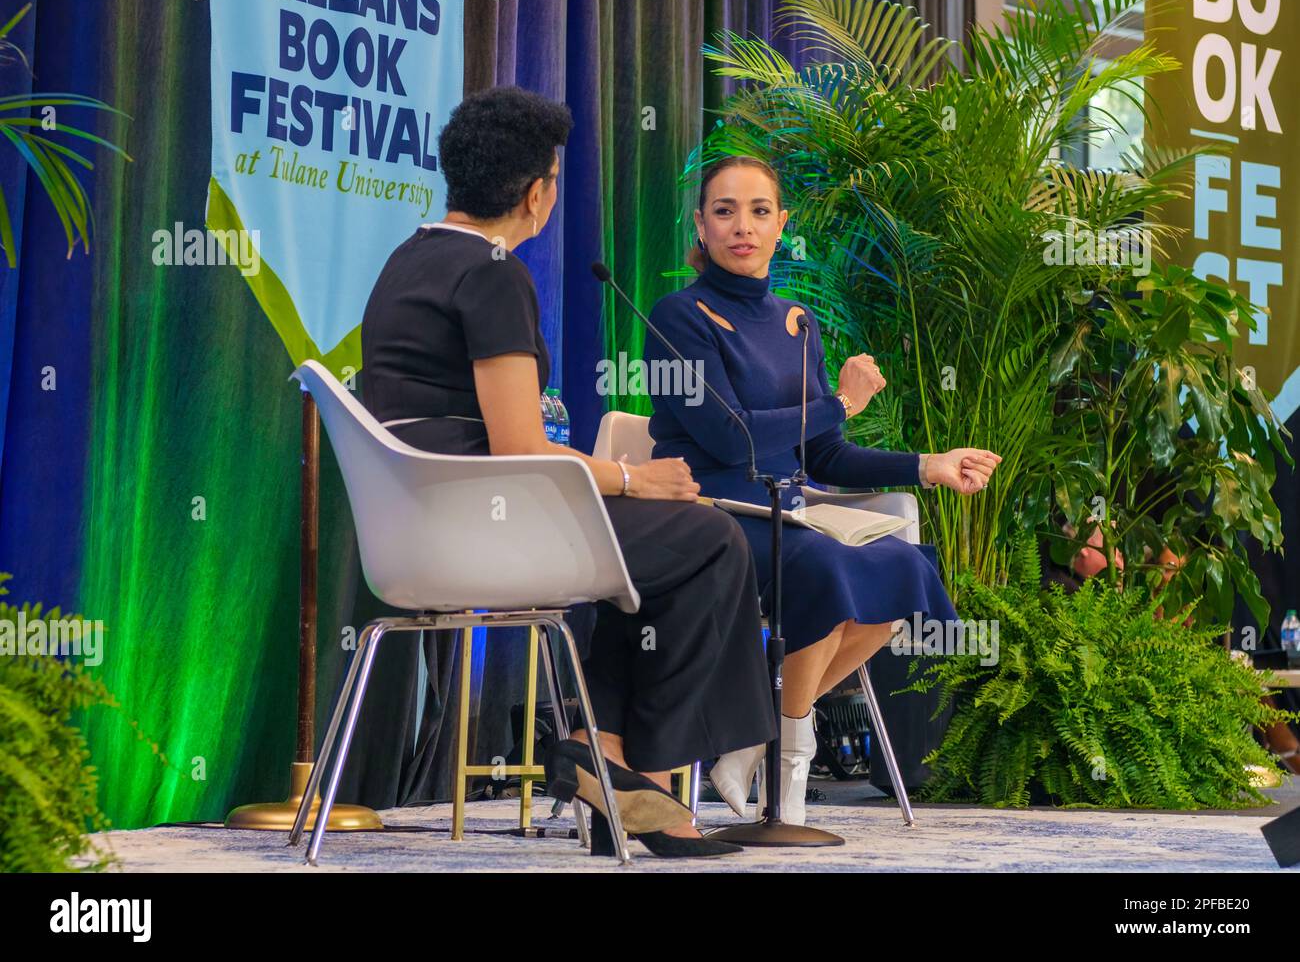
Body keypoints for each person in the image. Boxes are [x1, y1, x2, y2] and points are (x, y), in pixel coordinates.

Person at [360, 88, 776, 858]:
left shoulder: (407, 260)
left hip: (422, 530)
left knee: (660, 553)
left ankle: (603, 758)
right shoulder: (490, 273)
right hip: (480, 527)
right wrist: (632, 478)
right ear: (536, 194)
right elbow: (520, 443)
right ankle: (641, 774)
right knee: (713, 541)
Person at [645, 155, 1002, 824]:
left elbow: (824, 454)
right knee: (821, 565)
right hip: (709, 514)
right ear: (701, 224)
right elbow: (731, 439)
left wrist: (929, 465)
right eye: (724, 211)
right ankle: (788, 752)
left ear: (782, 225)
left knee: (900, 567)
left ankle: (759, 731)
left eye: (758, 212)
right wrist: (840, 400)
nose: (741, 227)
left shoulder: (798, 323)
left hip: (789, 510)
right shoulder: (679, 315)